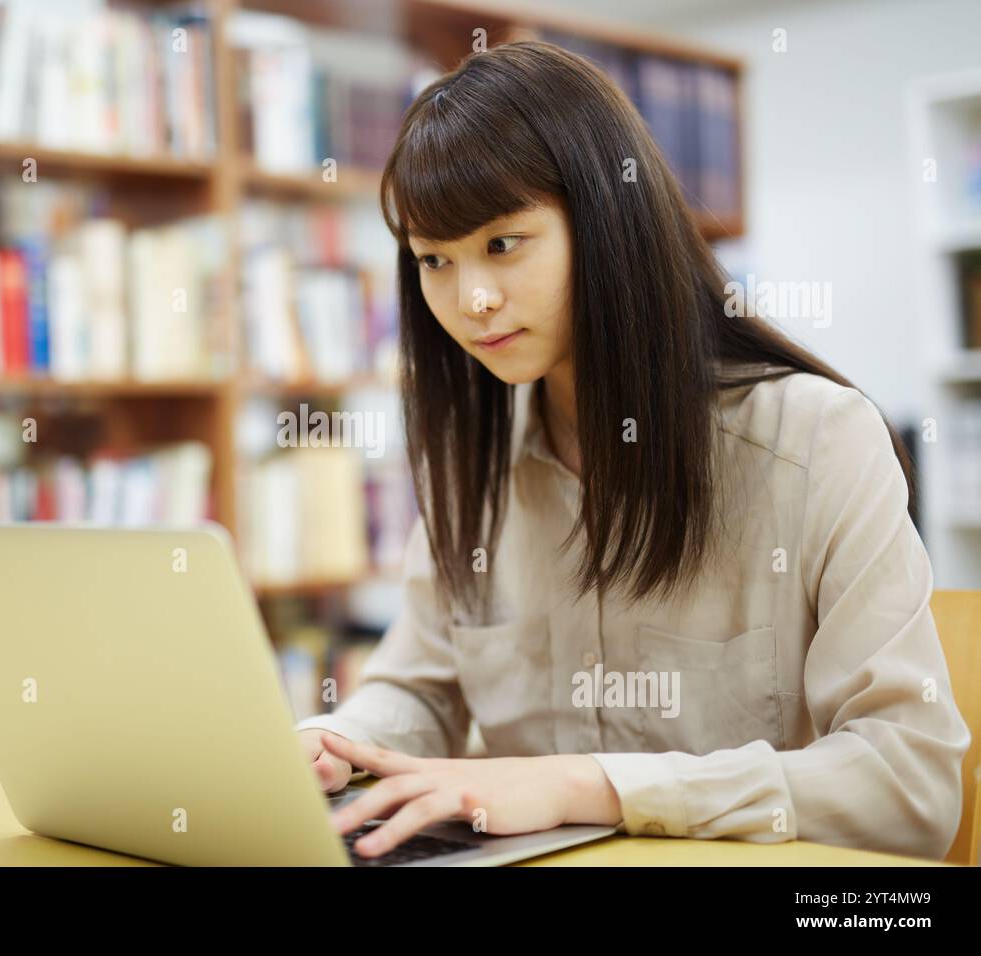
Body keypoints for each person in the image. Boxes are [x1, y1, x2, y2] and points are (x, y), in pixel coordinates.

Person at [294, 40, 970, 862]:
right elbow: (420, 686)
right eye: (435, 260)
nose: (471, 300)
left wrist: (593, 786)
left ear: (611, 224)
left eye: (503, 244)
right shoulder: (471, 465)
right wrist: (333, 742)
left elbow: (911, 785)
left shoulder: (818, 441)